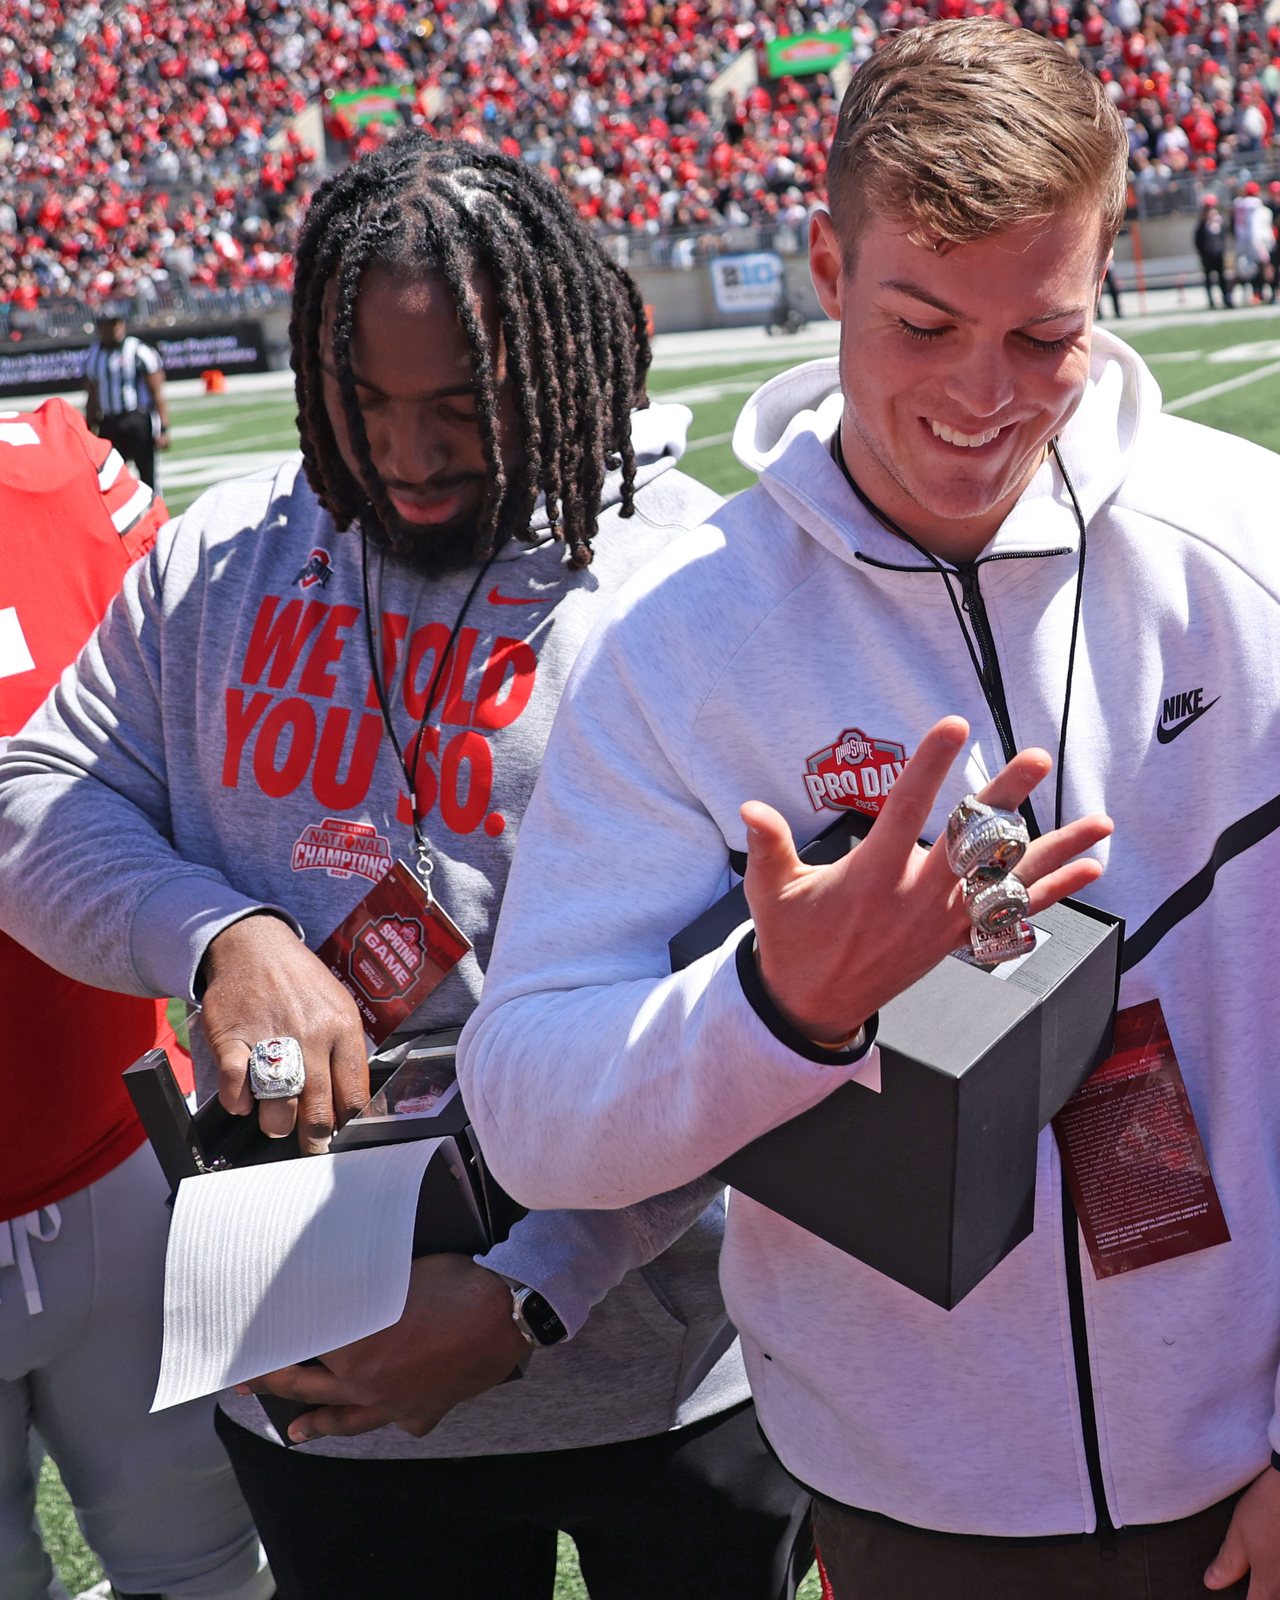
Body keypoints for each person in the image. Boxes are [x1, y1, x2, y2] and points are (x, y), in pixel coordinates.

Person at [460, 20, 1280, 1600]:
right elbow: (529, 1112)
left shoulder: (1255, 549)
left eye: (1045, 336)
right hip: (916, 1509)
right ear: (826, 268)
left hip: (1279, 1467)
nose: (982, 398)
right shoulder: (681, 644)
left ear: (1103, 279)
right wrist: (774, 1007)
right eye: (921, 323)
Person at [0, 137, 811, 1600]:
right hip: (312, 1356)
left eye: (460, 407)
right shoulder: (221, 558)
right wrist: (217, 932)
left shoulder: (688, 582)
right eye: (364, 403)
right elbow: (30, 796)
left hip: (663, 1357)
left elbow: (759, 1004)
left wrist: (529, 1293)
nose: (409, 456)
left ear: (562, 367)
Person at [0, 398, 271, 1600]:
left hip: (121, 1165)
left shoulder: (65, 477)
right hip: (114, 1162)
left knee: (210, 1564)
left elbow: (221, 735)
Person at [81, 315, 170, 490]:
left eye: (118, 324)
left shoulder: (138, 350)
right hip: (109, 421)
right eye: (110, 325)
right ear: (100, 328)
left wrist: (163, 429)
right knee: (109, 478)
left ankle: (154, 506)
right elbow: (92, 395)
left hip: (136, 419)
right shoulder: (93, 354)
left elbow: (157, 393)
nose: (116, 329)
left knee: (147, 476)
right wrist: (88, 430)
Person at [1193, 194, 1231, 308]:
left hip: (1218, 253)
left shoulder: (1219, 223)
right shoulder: (1202, 224)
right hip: (1207, 255)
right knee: (1208, 278)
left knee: (1222, 277)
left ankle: (1226, 298)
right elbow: (1198, 240)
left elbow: (1224, 236)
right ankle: (1211, 301)